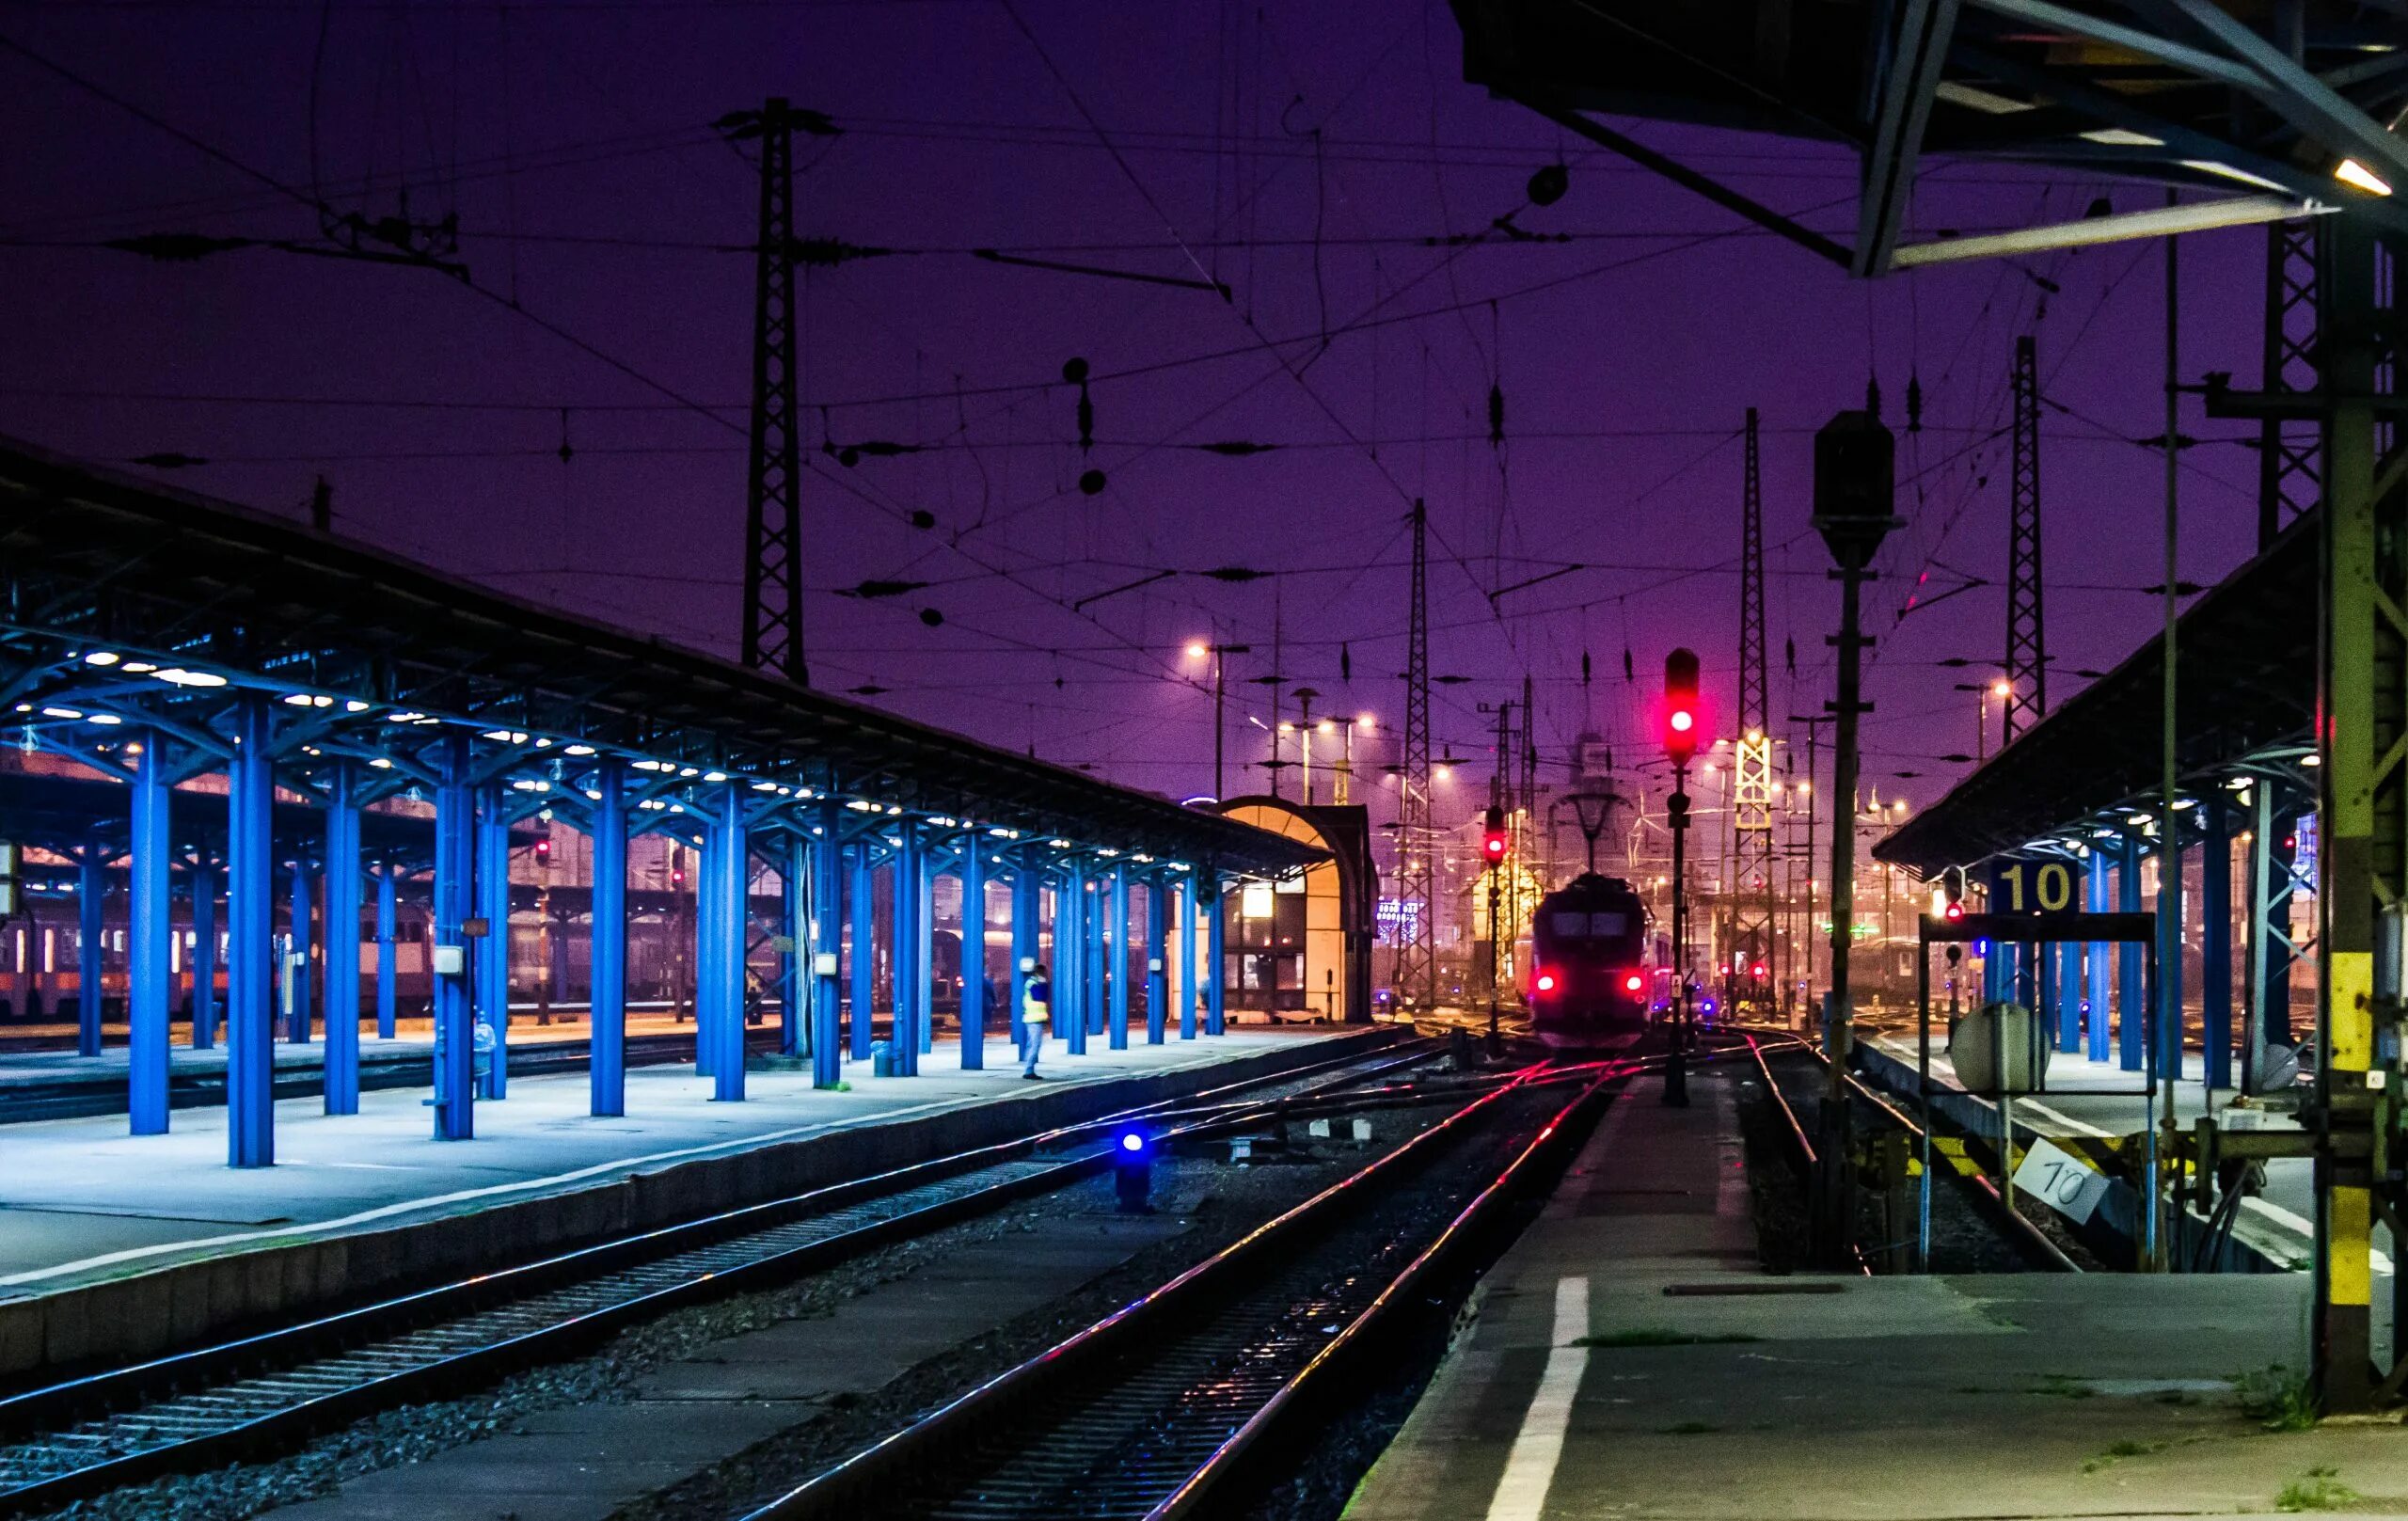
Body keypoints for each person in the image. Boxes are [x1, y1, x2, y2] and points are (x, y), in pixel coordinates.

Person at [1021, 962, 1052, 1079]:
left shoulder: (1033, 983)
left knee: (1032, 1045)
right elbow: (1040, 996)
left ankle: (1029, 1069)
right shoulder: (1032, 983)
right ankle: (1029, 1070)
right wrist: (1044, 983)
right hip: (1034, 1019)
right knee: (1035, 1045)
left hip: (1035, 1018)